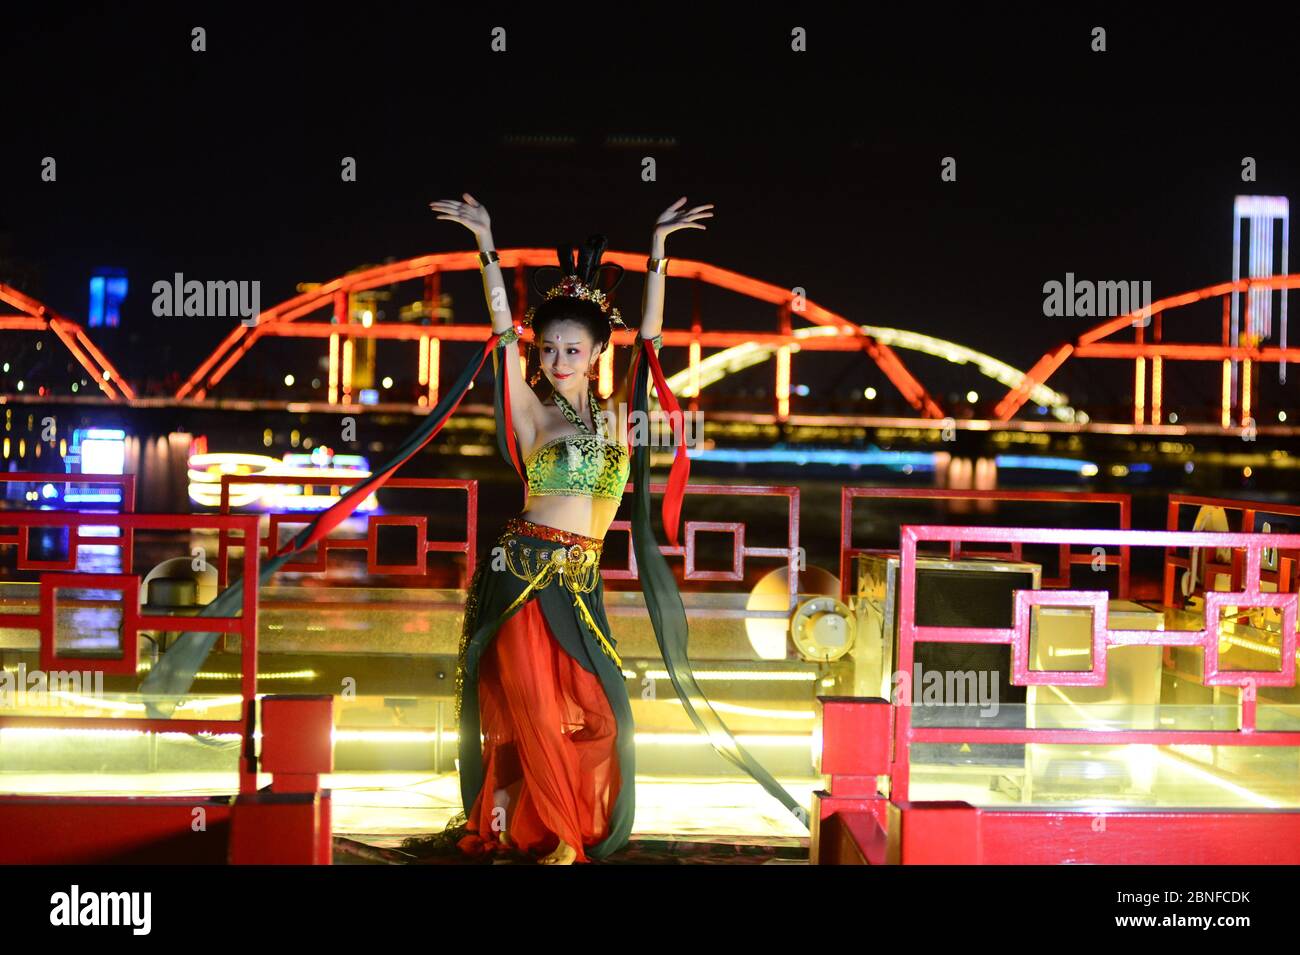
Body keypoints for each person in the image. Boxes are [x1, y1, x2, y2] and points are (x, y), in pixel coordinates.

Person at [427, 193, 710, 864]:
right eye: (549, 346)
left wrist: (658, 252)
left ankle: (547, 821)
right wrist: (486, 244)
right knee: (530, 710)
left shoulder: (619, 417)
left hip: (581, 582)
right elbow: (501, 332)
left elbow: (654, 339)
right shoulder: (531, 412)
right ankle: (552, 835)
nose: (557, 358)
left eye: (571, 348)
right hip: (522, 572)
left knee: (603, 714)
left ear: (596, 352)